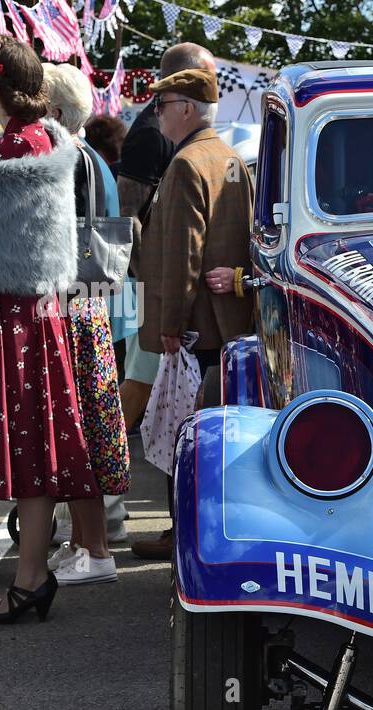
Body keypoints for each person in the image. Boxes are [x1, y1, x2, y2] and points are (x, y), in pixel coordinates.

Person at [0, 34, 97, 624]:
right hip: (35, 312)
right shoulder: (46, 139)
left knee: (27, 443)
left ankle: (31, 575)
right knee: (37, 443)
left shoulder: (12, 147)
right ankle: (31, 575)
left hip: (6, 313)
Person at [131, 68, 254, 560]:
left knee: (184, 429)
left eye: (161, 105)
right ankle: (207, 529)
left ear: (185, 108)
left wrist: (169, 326)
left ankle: (183, 531)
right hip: (227, 321)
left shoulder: (186, 164)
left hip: (195, 326)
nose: (157, 115)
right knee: (219, 433)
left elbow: (182, 253)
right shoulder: (229, 158)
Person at [39, 62, 131, 586]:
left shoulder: (67, 157)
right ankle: (85, 544)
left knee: (78, 427)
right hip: (89, 303)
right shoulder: (91, 156)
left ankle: (93, 549)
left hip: (71, 305)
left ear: (51, 109)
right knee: (86, 424)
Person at [115, 43, 215, 449]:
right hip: (147, 287)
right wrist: (153, 285)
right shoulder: (151, 133)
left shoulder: (163, 129)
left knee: (153, 378)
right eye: (207, 80)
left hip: (160, 284)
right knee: (140, 377)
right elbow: (128, 215)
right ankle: (99, 468)